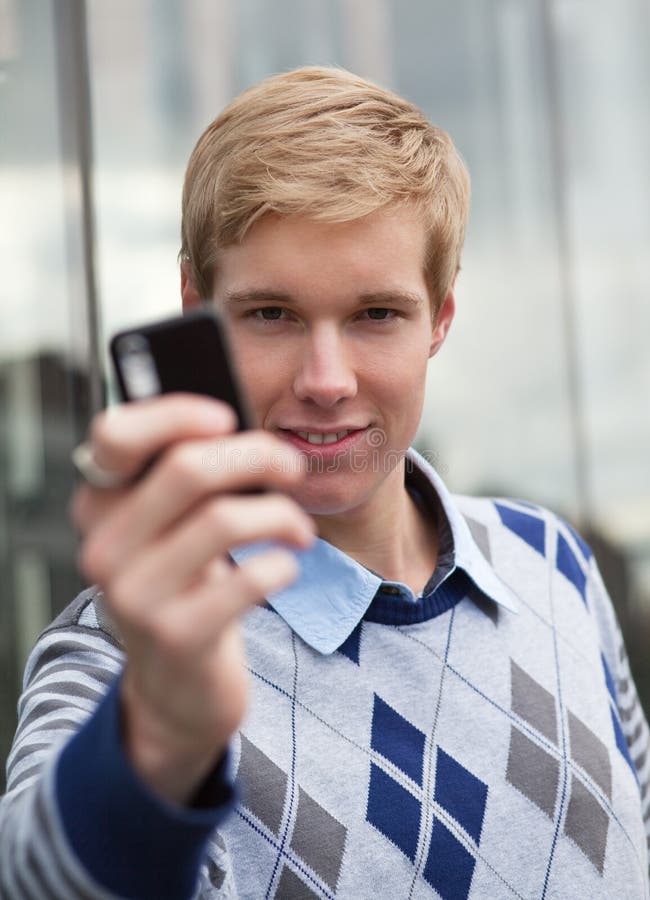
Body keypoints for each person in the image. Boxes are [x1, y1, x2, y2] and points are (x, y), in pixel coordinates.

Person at [1, 66, 648, 900]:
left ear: (441, 319)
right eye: (272, 314)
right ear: (195, 303)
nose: (326, 379)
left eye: (376, 314)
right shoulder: (130, 652)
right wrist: (156, 746)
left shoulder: (555, 560)